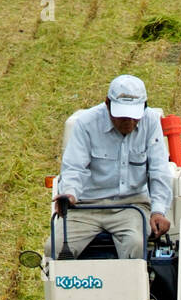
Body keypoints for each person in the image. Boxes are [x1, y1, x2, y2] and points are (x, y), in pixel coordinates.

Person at [52, 75, 172, 259]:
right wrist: (69, 193)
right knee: (55, 248)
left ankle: (132, 287)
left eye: (134, 117)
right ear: (107, 104)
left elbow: (159, 171)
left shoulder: (151, 122)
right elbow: (74, 168)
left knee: (136, 244)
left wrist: (158, 211)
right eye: (122, 117)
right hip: (87, 206)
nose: (129, 123)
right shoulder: (86, 123)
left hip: (131, 207)